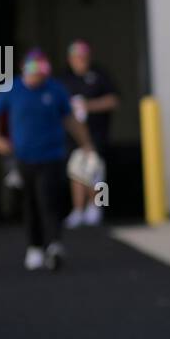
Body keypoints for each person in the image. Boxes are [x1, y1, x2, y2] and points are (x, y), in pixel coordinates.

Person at [0, 48, 94, 270]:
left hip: (51, 156)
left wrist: (86, 144)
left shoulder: (56, 90)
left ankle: (53, 244)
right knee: (30, 203)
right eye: (34, 70)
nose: (38, 76)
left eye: (42, 70)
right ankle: (34, 246)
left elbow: (70, 119)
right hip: (23, 157)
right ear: (24, 69)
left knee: (48, 199)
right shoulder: (11, 87)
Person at [60, 40, 118, 227]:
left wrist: (88, 105)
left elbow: (114, 100)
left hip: (97, 132)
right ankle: (78, 209)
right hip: (74, 134)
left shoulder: (99, 75)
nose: (81, 61)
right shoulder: (65, 79)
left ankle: (99, 206)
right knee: (76, 171)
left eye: (84, 57)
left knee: (97, 171)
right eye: (77, 58)